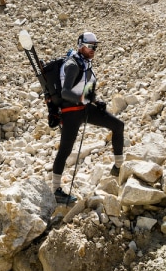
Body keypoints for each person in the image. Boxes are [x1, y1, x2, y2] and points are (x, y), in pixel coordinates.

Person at [51, 31, 125, 204]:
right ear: (81, 46)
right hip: (71, 113)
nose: (93, 50)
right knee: (65, 150)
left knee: (118, 125)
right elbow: (66, 92)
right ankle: (56, 190)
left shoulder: (86, 65)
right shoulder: (73, 64)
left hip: (84, 109)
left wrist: (96, 101)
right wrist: (84, 99)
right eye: (90, 46)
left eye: (95, 47)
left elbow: (86, 93)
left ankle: (119, 167)